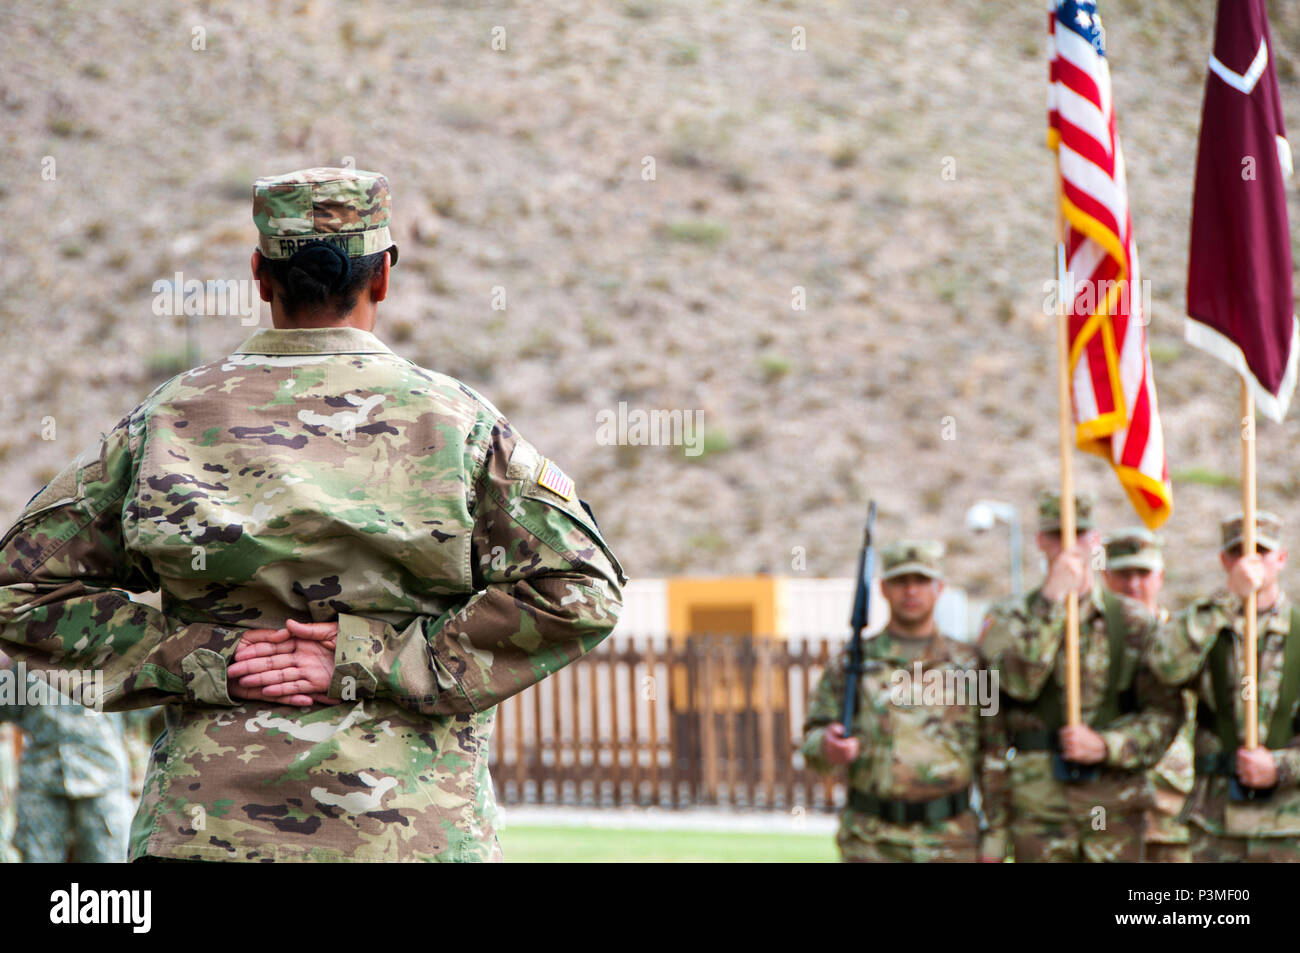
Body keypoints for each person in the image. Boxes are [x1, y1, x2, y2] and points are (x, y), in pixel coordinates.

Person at [0, 167, 626, 862]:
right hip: (409, 834)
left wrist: (204, 657)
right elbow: (580, 589)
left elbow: (21, 587)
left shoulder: (168, 422)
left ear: (260, 275)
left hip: (206, 832)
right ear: (384, 276)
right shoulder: (459, 426)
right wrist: (378, 658)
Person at [979, 493, 1180, 862]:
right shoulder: (1006, 618)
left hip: (1113, 808)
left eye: (1080, 534)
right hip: (1037, 810)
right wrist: (1051, 602)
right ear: (1040, 540)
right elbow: (1012, 687)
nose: (1069, 545)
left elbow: (1165, 715)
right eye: (1057, 534)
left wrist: (1108, 746)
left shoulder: (1137, 623)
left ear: (1096, 540)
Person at [802, 540, 1008, 862]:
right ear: (883, 589)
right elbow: (813, 741)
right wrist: (826, 746)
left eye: (921, 581)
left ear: (939, 588)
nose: (911, 591)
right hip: (871, 842)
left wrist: (995, 839)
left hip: (950, 840)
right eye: (900, 581)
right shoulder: (851, 664)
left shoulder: (972, 665)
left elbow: (995, 753)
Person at [1150, 512, 1300, 862]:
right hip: (1216, 825)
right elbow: (1164, 668)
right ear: (1224, 561)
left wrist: (1278, 767)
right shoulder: (1205, 627)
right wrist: (1226, 598)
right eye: (1238, 553)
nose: (1250, 563)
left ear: (1281, 559)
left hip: (1288, 826)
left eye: (1260, 552)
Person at [1101, 527, 1194, 863]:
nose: (1133, 584)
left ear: (1161, 577)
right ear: (1105, 576)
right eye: (1123, 574)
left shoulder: (1188, 642)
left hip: (1172, 812)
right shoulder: (1086, 646)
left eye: (1143, 573)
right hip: (1105, 814)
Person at [0, 657, 132, 862]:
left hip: (101, 778)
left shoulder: (111, 655)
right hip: (42, 782)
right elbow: (5, 705)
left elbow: (140, 705)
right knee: (37, 857)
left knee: (109, 860)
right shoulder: (28, 659)